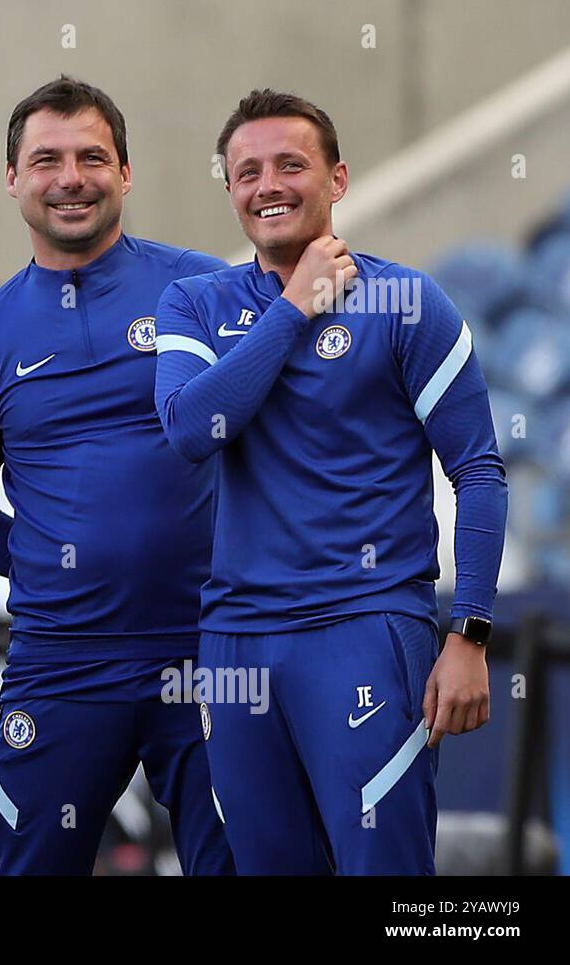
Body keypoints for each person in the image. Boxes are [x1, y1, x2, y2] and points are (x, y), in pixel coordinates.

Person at [154, 88, 508, 874]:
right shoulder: (195, 302)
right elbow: (188, 429)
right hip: (237, 641)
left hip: (365, 629)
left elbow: (478, 471)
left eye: (291, 165)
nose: (268, 185)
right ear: (230, 189)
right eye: (247, 172)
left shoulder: (406, 303)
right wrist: (295, 306)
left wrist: (471, 634)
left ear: (337, 179)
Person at [0, 76, 235, 876]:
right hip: (62, 662)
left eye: (92, 157)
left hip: (212, 651)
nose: (71, 178)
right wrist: (41, 557)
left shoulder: (206, 293)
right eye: (47, 160)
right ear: (13, 178)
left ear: (126, 174)